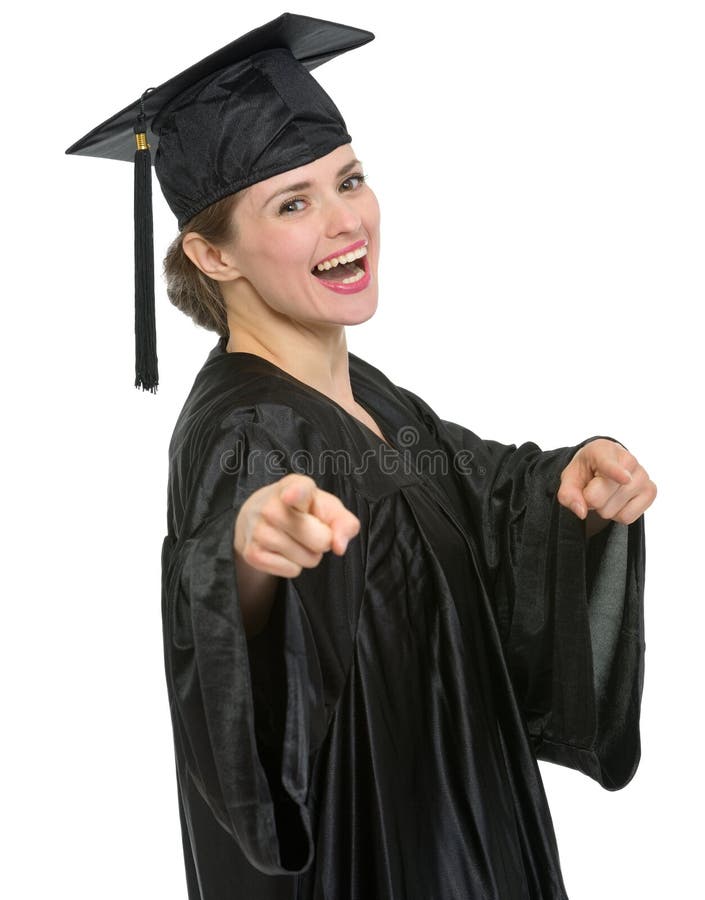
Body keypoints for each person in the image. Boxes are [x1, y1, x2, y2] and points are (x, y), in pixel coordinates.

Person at [67, 13, 656, 900]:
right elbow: (227, 594)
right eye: (292, 203)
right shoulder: (248, 429)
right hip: (379, 851)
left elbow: (469, 482)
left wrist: (563, 477)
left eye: (349, 180)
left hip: (463, 810)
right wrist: (248, 554)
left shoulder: (365, 391)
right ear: (210, 253)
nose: (345, 222)